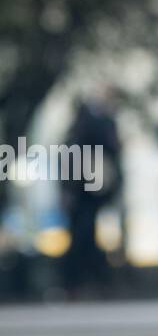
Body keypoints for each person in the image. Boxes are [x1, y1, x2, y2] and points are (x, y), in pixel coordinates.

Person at [60, 86, 123, 299]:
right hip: (81, 192)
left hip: (88, 192)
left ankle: (86, 283)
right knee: (81, 237)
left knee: (85, 236)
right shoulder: (83, 134)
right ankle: (80, 283)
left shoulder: (94, 131)